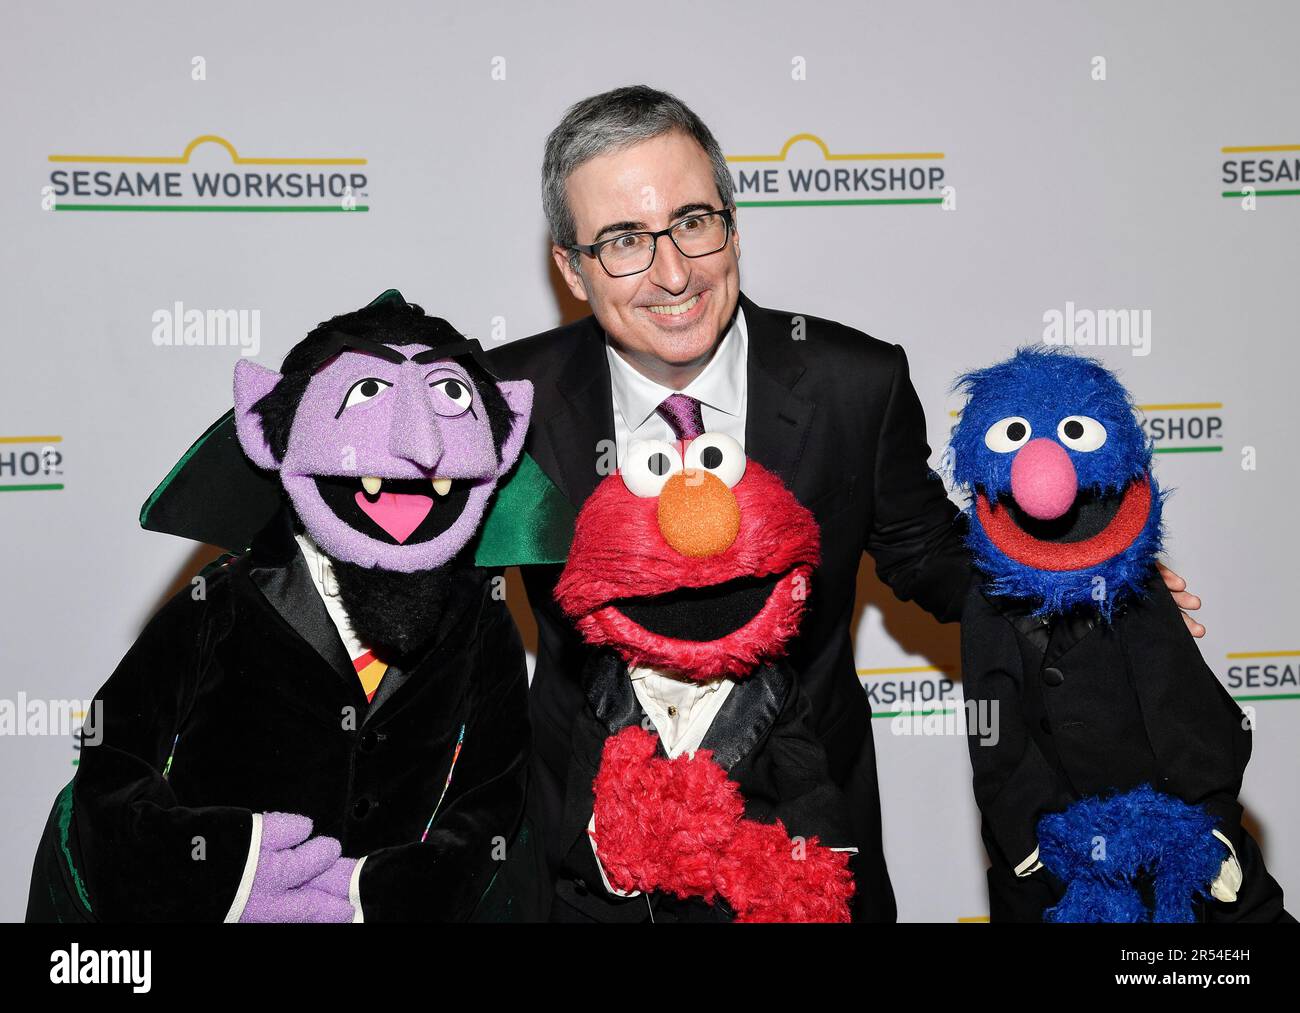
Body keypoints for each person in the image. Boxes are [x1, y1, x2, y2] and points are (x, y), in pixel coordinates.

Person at [487, 85, 1204, 921]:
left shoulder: (851, 382)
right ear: (570, 269)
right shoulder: (507, 403)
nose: (674, 272)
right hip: (587, 871)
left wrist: (1082, 596)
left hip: (805, 850)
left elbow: (927, 554)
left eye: (692, 221)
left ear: (733, 223)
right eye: (623, 242)